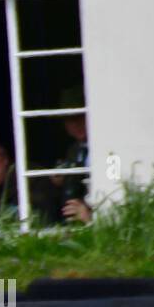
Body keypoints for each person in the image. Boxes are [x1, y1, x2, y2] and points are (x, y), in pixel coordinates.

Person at [51, 87, 92, 224]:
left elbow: (113, 186)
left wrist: (90, 216)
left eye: (80, 117)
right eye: (69, 120)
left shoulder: (108, 151)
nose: (76, 125)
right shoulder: (74, 150)